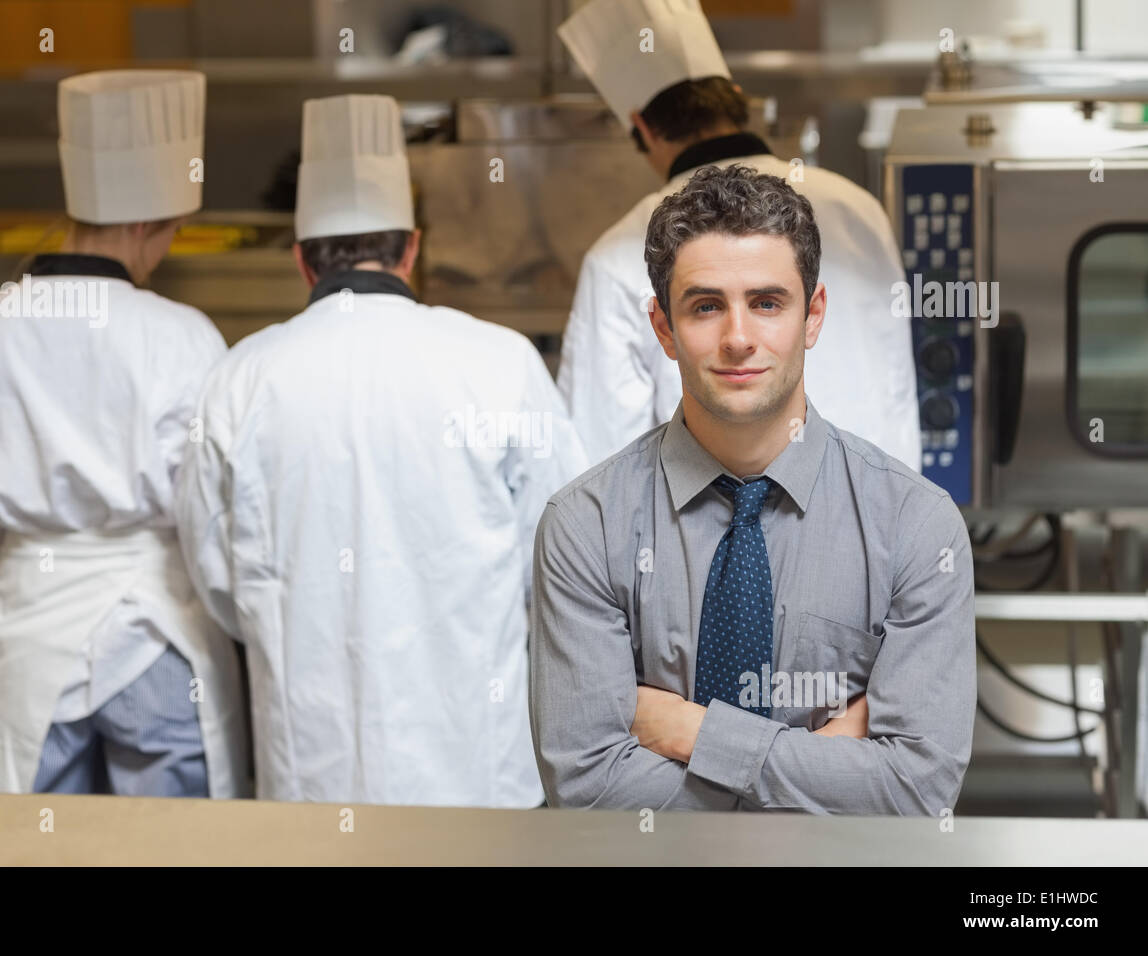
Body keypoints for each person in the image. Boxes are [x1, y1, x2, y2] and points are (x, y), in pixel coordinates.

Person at [175, 94, 588, 807]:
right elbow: (564, 551)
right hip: (474, 762)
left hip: (311, 759)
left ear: (303, 261)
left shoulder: (240, 377)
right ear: (414, 248)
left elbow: (213, 572)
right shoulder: (500, 361)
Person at [529, 164, 975, 814]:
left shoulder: (916, 527)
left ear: (813, 315)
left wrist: (690, 732)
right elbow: (589, 788)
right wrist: (830, 760)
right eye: (706, 306)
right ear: (663, 328)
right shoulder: (585, 526)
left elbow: (914, 789)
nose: (739, 338)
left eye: (767, 303)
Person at [0, 70, 249, 797]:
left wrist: (37, 547)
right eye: (166, 233)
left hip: (32, 634)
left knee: (30, 853)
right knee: (174, 856)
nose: (163, 249)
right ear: (142, 226)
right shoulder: (184, 335)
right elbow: (210, 504)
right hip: (158, 633)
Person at [556, 0, 920, 470]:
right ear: (737, 97)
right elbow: (897, 389)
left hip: (711, 534)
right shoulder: (859, 208)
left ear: (642, 129)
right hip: (876, 511)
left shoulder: (618, 252)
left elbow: (601, 451)